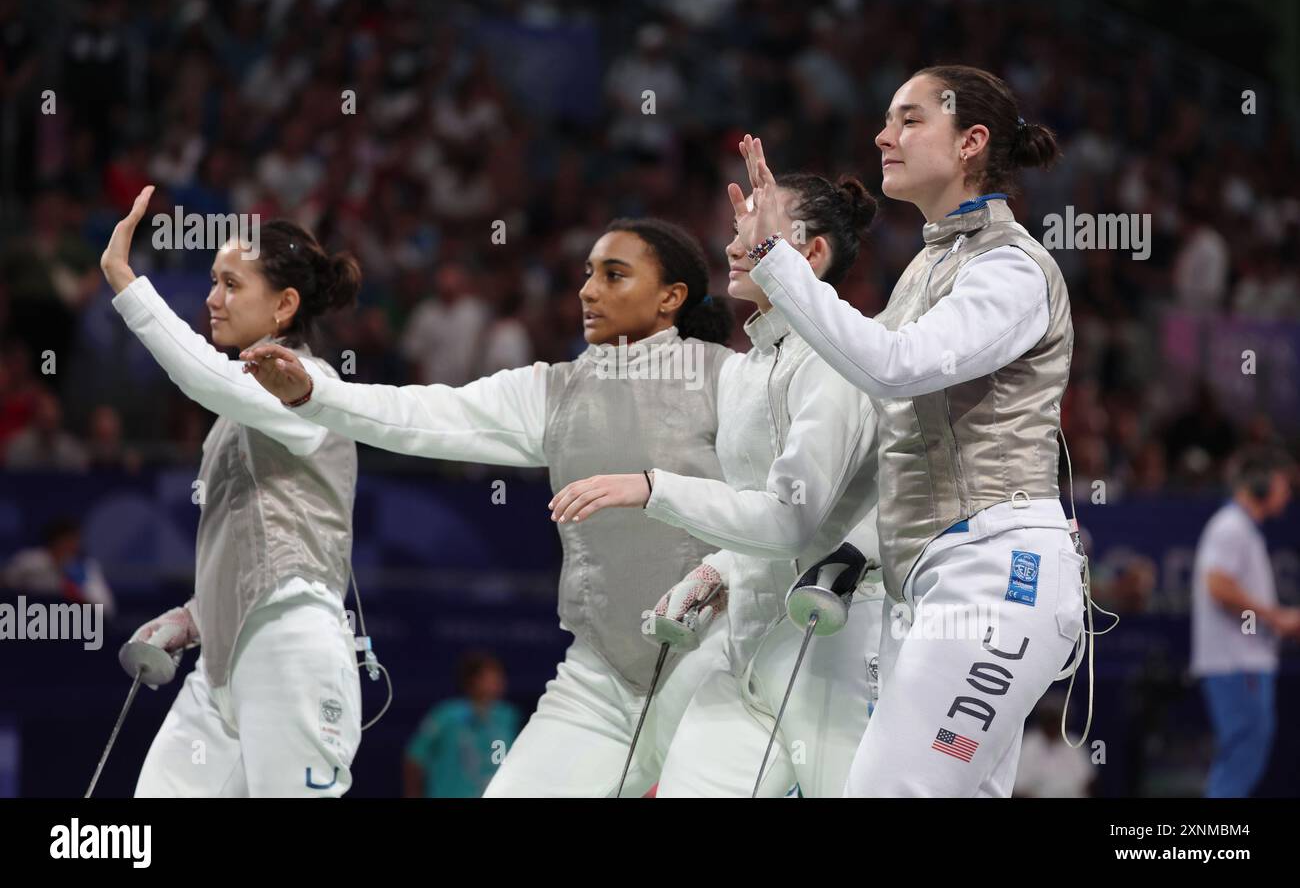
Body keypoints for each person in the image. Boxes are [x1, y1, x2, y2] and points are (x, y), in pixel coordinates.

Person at [241, 218, 736, 797]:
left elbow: (786, 509)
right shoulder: (558, 390)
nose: (587, 290)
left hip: (713, 666)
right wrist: (314, 393)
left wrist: (721, 571)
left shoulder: (726, 380)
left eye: (614, 275)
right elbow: (428, 415)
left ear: (670, 297)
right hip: (601, 675)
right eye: (587, 274)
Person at [736, 65, 1084, 797]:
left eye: (909, 119)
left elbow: (893, 368)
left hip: (998, 578)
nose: (882, 135)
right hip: (938, 582)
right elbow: (884, 423)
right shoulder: (932, 262)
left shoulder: (1009, 270)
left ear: (971, 142)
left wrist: (775, 260)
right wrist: (851, 547)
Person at [549, 173, 883, 796]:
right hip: (750, 647)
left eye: (755, 231)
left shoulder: (838, 361)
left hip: (836, 648)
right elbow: (755, 513)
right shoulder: (746, 369)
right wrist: (717, 572)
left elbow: (792, 521)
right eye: (736, 229)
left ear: (811, 254)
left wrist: (654, 488)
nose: (733, 246)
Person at [102, 185, 365, 797]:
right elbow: (255, 532)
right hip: (223, 664)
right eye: (214, 281)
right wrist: (195, 616)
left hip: (291, 645)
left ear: (284, 305)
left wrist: (124, 278)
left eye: (231, 285)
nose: (212, 299)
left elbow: (201, 375)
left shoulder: (310, 387)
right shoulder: (238, 414)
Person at [1191, 447, 1299, 797]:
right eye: (1284, 484)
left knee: (1244, 756)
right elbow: (1217, 585)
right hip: (1237, 664)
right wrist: (1276, 618)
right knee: (1242, 756)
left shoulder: (1242, 528)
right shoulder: (1231, 526)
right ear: (1261, 483)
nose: (1288, 494)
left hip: (1241, 663)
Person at [404, 652, 520, 798]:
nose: (499, 681)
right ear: (472, 680)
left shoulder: (507, 715)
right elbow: (415, 759)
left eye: (499, 676)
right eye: (491, 677)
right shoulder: (445, 715)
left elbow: (507, 759)